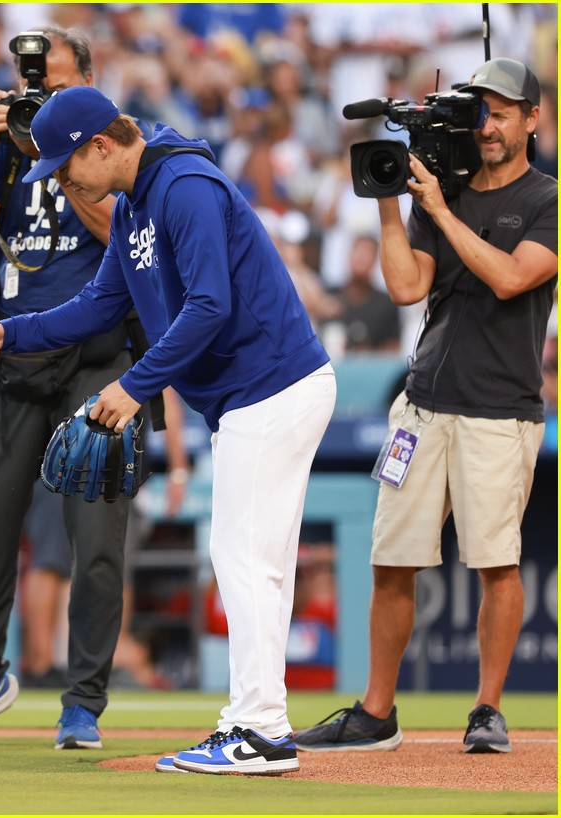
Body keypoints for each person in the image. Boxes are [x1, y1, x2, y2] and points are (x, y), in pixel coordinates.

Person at [0, 85, 336, 775]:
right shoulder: (136, 197)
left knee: (243, 559)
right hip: (254, 396)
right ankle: (257, 720)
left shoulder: (183, 183)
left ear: (101, 145)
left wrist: (133, 387)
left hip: (272, 388)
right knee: (258, 564)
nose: (62, 183)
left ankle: (259, 731)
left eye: (66, 167)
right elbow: (97, 305)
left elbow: (209, 305)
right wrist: (4, 331)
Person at [295, 58, 557, 756]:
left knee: (496, 563)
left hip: (500, 409)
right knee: (391, 557)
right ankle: (377, 713)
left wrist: (440, 208)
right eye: (482, 112)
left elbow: (509, 279)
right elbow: (408, 287)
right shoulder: (448, 190)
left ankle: (487, 709)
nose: (489, 125)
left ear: (533, 117)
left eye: (503, 112)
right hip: (423, 403)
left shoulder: (546, 198)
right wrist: (390, 197)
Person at [0, 24, 169, 752]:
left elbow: (121, 234)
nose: (42, 98)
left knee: (95, 537)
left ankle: (83, 700)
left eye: (57, 86)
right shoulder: (10, 143)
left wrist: (54, 150)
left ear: (89, 82)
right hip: (19, 355)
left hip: (98, 361)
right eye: (33, 87)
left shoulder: (111, 147)